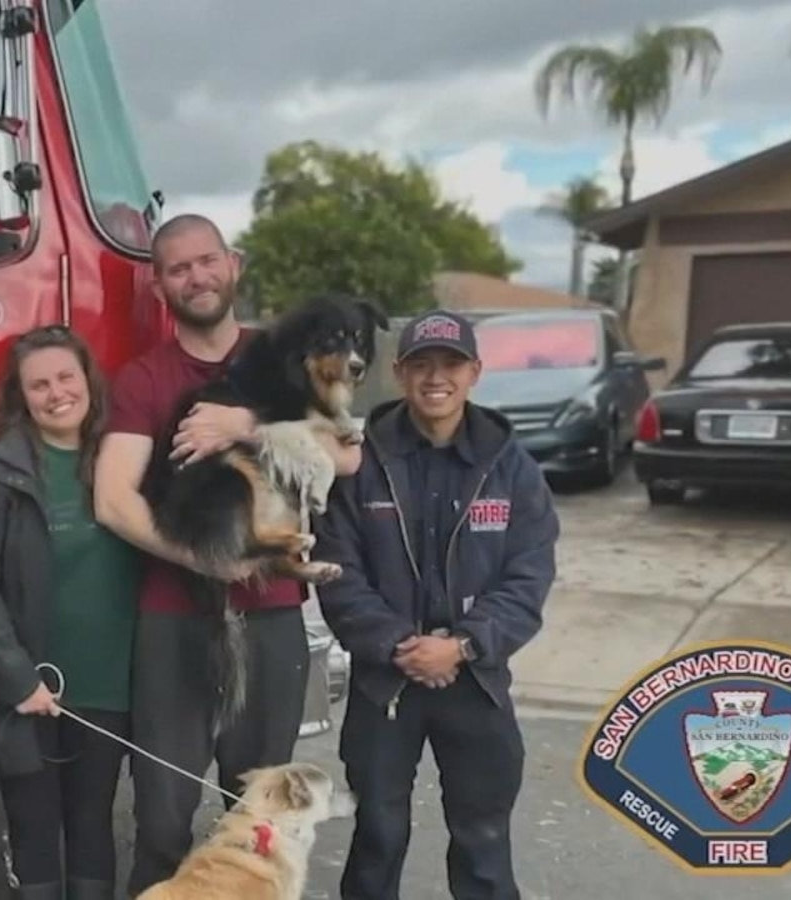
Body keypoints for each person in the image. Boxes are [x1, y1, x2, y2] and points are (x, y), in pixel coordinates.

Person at [92, 213, 363, 897]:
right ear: (160, 286)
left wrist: (245, 424)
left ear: (233, 264)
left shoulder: (284, 355)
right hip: (175, 616)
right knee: (162, 822)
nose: (197, 277)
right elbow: (113, 500)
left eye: (207, 260)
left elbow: (347, 456)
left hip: (273, 614)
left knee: (262, 818)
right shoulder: (144, 378)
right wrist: (202, 559)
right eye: (179, 268)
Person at [312, 309, 560, 900]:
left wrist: (464, 644)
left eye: (451, 364)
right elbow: (337, 570)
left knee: (482, 841)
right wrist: (400, 645)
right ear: (399, 372)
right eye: (421, 364)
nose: (436, 378)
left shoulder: (510, 466)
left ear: (475, 372)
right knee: (377, 834)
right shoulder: (360, 461)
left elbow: (529, 575)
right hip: (384, 683)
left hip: (475, 678)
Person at [0, 325, 141, 900]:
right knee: (34, 833)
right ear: (21, 396)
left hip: (109, 686)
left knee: (94, 825)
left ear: (88, 381)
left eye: (65, 378)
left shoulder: (122, 459)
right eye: (39, 385)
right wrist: (18, 677)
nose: (56, 394)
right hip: (30, 693)